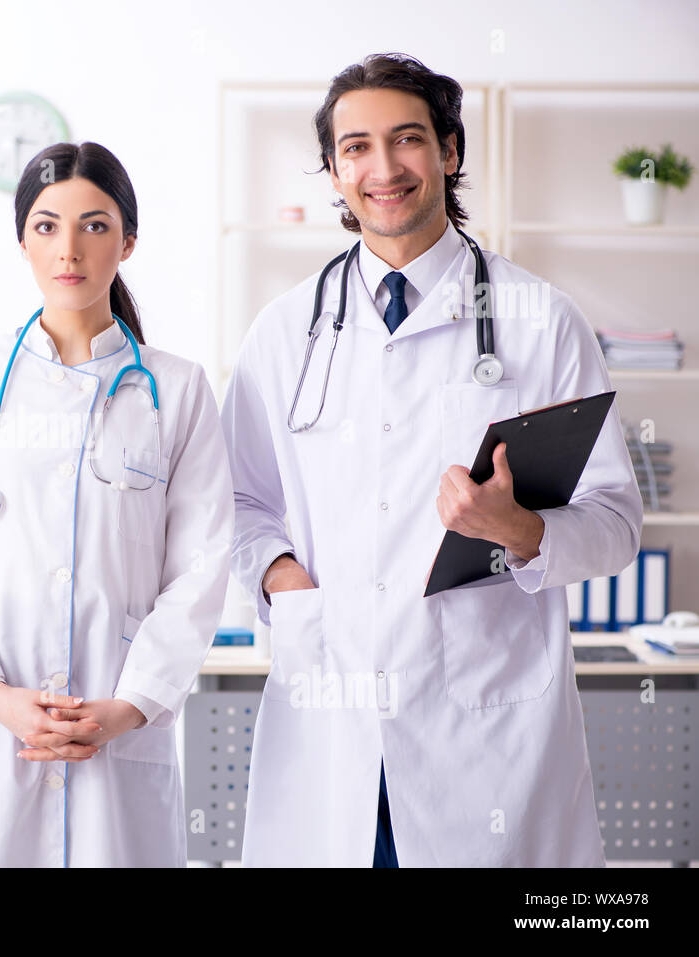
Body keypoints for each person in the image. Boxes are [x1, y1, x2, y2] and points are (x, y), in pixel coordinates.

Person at [221, 53, 642, 867]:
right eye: (355, 148)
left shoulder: (540, 320)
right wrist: (283, 579)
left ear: (449, 151)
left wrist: (520, 529)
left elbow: (616, 521)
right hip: (333, 706)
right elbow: (236, 504)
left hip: (483, 734)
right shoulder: (285, 332)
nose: (383, 168)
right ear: (335, 170)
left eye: (407, 139)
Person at [0, 141, 233, 867]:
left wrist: (128, 705)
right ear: (22, 241)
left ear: (128, 240)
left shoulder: (178, 390)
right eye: (46, 226)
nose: (68, 248)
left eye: (95, 225)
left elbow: (201, 569)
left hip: (118, 729)